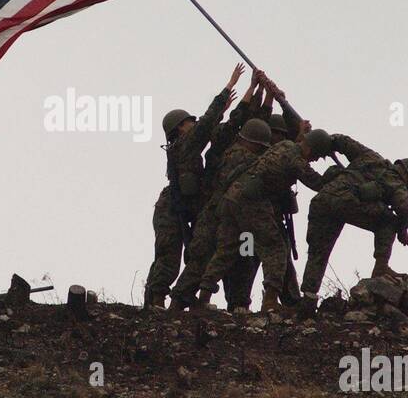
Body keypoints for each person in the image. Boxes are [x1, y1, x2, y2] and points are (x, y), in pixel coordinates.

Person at [198, 128, 335, 312]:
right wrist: (335, 175)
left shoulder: (284, 145)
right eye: (316, 157)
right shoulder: (296, 161)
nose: (314, 160)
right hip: (251, 202)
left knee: (227, 249)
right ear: (311, 149)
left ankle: (203, 297)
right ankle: (270, 301)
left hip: (232, 197)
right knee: (275, 247)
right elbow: (317, 184)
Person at [143, 65, 243, 309]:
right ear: (179, 127)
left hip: (183, 207)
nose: (192, 124)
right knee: (169, 255)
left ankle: (173, 298)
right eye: (189, 122)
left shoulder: (185, 146)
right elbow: (207, 123)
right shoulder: (184, 144)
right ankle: (155, 301)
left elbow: (208, 126)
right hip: (170, 208)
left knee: (195, 251)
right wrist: (228, 88)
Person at [301, 135, 408, 299]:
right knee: (389, 221)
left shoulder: (371, 156)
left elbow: (341, 141)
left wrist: (323, 145)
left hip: (322, 200)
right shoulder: (396, 182)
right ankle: (381, 266)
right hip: (346, 202)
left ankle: (308, 297)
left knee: (318, 252)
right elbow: (406, 211)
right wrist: (402, 231)